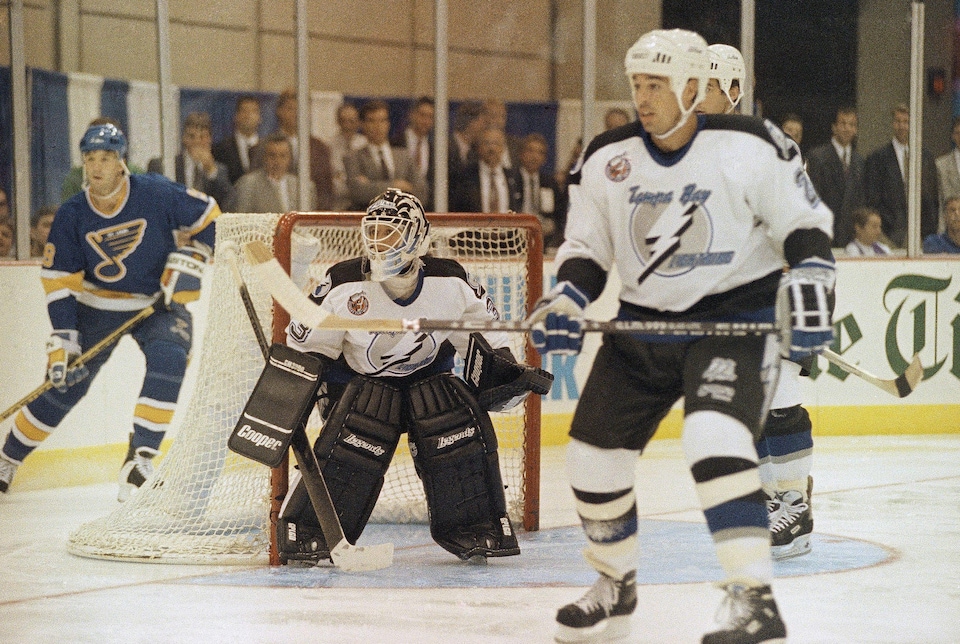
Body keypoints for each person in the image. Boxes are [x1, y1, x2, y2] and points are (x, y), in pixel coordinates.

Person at [526, 29, 834, 643]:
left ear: (692, 88)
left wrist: (813, 277)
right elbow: (587, 249)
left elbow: (802, 225)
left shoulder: (751, 146)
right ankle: (614, 581)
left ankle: (754, 599)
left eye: (657, 85)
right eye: (638, 84)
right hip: (642, 324)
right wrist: (567, 297)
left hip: (733, 322)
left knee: (714, 438)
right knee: (590, 455)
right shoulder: (608, 158)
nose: (643, 98)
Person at [271, 188, 550, 564]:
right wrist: (290, 402)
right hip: (356, 388)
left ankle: (476, 524)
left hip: (427, 384)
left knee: (449, 406)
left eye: (390, 232)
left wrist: (506, 377)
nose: (378, 242)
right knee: (368, 410)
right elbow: (307, 354)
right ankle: (310, 529)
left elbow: (486, 346)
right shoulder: (343, 283)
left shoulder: (450, 281)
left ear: (417, 237)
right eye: (373, 232)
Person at [0, 123, 219, 499]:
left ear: (121, 162)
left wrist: (196, 254)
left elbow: (209, 215)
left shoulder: (155, 192)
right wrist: (65, 336)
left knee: (169, 357)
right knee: (65, 384)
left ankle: (140, 459)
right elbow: (59, 281)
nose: (97, 166)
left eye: (106, 157)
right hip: (96, 306)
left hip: (157, 303)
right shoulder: (71, 214)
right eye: (90, 158)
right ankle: (7, 459)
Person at [701, 42, 820, 563]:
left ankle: (796, 509)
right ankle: (773, 502)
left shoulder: (768, 144)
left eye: (706, 85)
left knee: (781, 400)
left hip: (782, 289)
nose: (695, 96)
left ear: (733, 89)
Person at [864, 103, 939, 248]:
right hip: (888, 234)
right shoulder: (878, 158)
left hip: (921, 234)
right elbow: (873, 198)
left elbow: (932, 198)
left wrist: (929, 230)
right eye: (898, 121)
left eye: (906, 122)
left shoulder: (925, 158)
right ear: (892, 124)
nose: (902, 126)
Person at [253, 89, 333, 210]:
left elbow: (326, 191)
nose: (296, 114)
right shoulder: (263, 146)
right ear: (279, 111)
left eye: (301, 109)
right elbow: (256, 184)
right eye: (291, 108)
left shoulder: (320, 148)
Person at [344, 100, 426, 211]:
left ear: (388, 124)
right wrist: (397, 186)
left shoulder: (404, 156)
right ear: (362, 124)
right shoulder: (353, 157)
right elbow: (358, 192)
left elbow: (422, 191)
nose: (377, 126)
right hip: (368, 216)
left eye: (382, 120)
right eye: (371, 121)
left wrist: (372, 185)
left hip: (402, 216)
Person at [148, 112, 236, 211]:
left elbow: (229, 201)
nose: (197, 142)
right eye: (191, 136)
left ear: (210, 139)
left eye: (202, 137)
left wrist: (211, 171)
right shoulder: (164, 165)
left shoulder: (219, 170)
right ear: (184, 138)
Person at [806, 107, 866, 248]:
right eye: (843, 123)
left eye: (851, 125)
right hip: (825, 232)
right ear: (834, 127)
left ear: (856, 130)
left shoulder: (860, 161)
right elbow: (813, 196)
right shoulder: (817, 157)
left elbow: (861, 200)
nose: (847, 128)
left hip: (851, 237)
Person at [60, 117, 145, 202]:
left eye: (105, 159)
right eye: (91, 158)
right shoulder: (74, 180)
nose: (97, 168)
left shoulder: (138, 177)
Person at [235, 132, 316, 213]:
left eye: (283, 156)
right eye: (272, 155)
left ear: (290, 158)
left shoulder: (304, 187)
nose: (278, 161)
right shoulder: (248, 185)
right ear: (264, 157)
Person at [450, 126, 521, 214]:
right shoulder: (465, 176)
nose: (492, 148)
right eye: (487, 143)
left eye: (496, 143)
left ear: (503, 148)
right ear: (478, 147)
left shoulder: (513, 176)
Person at [512, 132, 565, 249]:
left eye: (540, 152)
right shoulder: (511, 179)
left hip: (544, 238)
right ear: (521, 154)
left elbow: (559, 213)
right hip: (515, 237)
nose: (534, 156)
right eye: (530, 151)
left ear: (544, 159)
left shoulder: (550, 183)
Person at [392, 96, 436, 209]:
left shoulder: (436, 149)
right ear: (411, 115)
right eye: (422, 115)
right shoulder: (395, 143)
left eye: (430, 117)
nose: (426, 121)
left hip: (426, 210)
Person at [212, 94, 263, 185]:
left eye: (253, 111)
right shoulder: (221, 149)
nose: (248, 115)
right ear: (236, 116)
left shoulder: (267, 148)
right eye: (244, 111)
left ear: (260, 118)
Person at [328, 102, 368, 211]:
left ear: (358, 122)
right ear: (337, 121)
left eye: (351, 121)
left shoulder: (365, 144)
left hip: (362, 203)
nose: (347, 126)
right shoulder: (329, 145)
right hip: (337, 203)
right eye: (343, 121)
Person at [934, 117, 960, 224]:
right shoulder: (941, 165)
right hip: (949, 226)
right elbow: (940, 201)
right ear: (953, 136)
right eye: (958, 133)